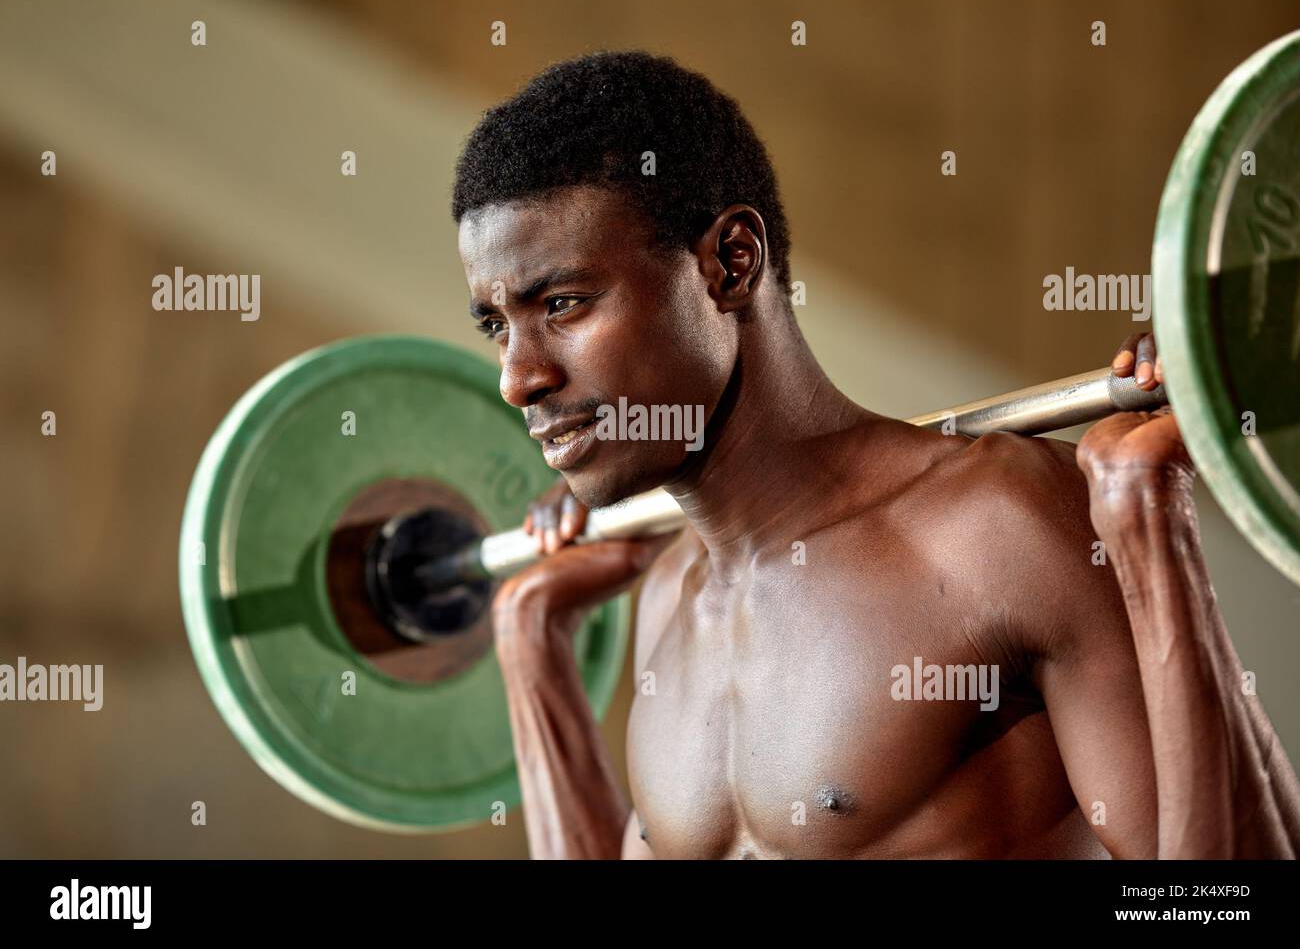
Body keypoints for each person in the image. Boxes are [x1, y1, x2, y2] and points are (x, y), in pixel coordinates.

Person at [450, 50, 1300, 859]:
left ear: (730, 264)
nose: (518, 380)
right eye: (497, 328)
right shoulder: (672, 599)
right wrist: (534, 650)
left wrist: (1146, 514)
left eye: (561, 303)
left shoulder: (996, 526)